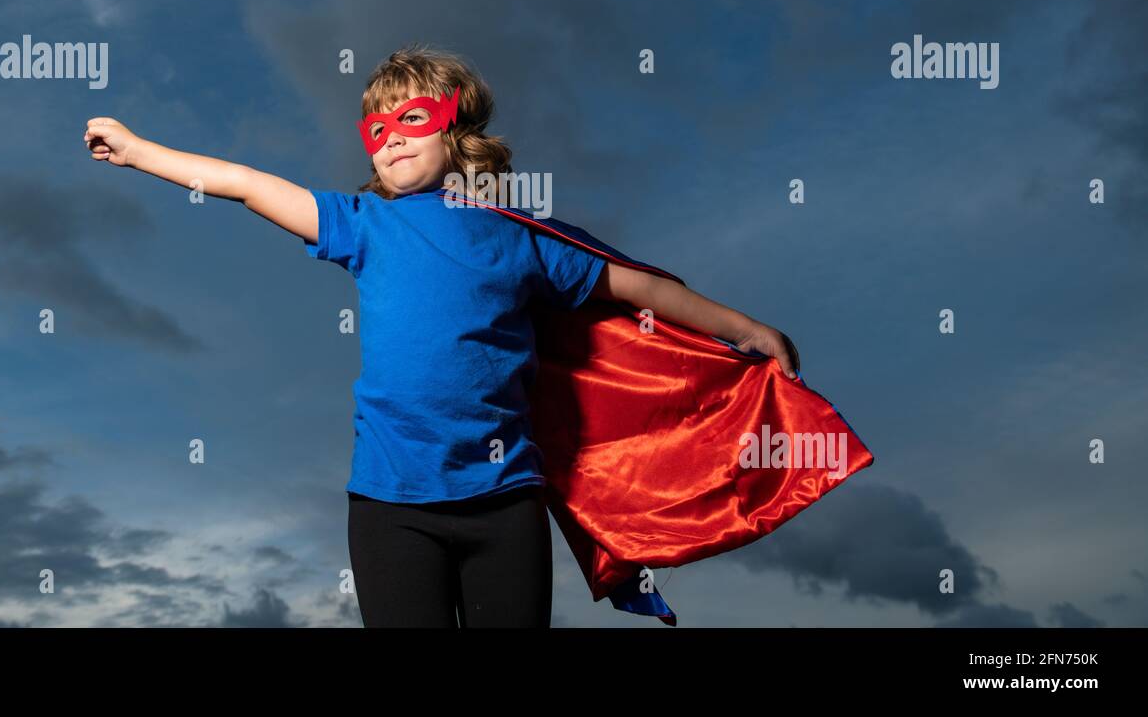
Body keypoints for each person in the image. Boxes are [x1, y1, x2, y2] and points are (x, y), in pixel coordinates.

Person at [82, 42, 800, 627]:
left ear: (456, 127)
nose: (390, 138)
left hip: (505, 504)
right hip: (392, 507)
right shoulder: (364, 225)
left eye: (409, 120)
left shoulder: (522, 238)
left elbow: (640, 288)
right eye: (376, 129)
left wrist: (744, 328)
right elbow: (243, 182)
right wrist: (139, 150)